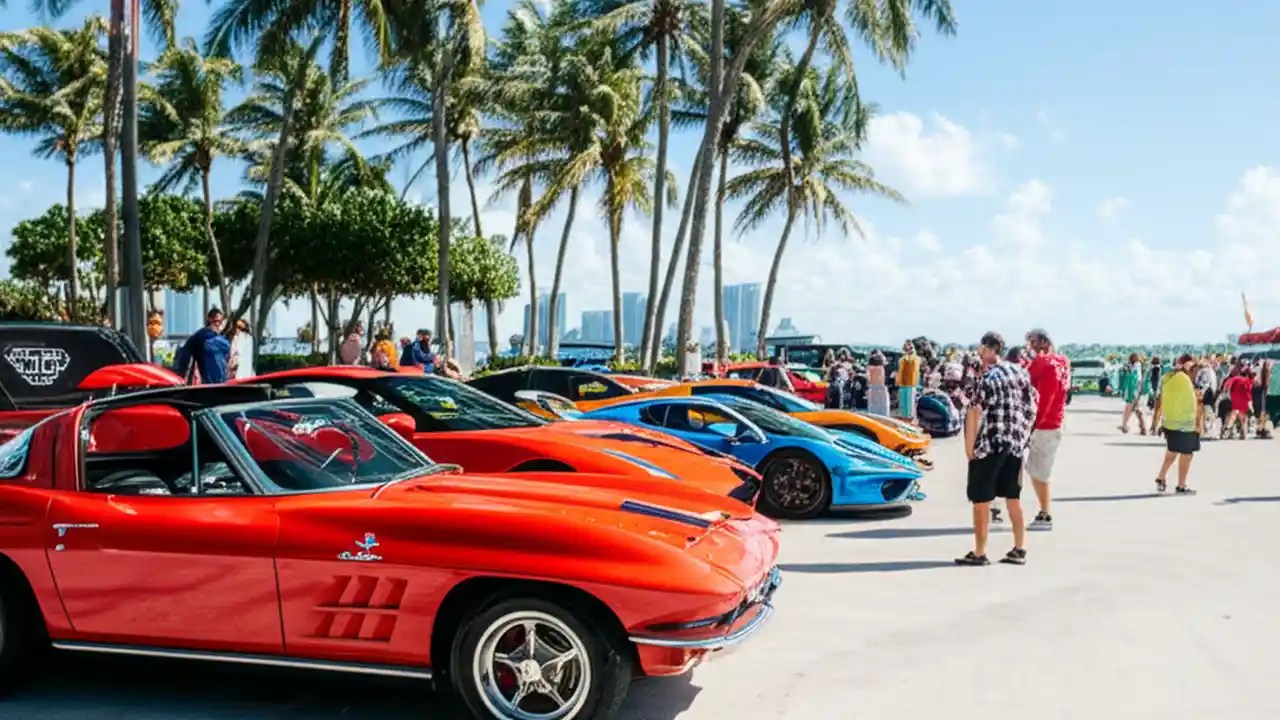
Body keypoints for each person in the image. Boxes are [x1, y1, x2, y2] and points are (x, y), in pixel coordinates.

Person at [957, 332, 1038, 567]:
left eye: (982, 349)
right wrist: (1022, 434)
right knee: (1013, 497)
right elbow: (1032, 405)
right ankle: (1019, 548)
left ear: (989, 349)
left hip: (991, 443)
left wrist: (970, 449)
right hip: (1014, 445)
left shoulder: (987, 377)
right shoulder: (1020, 372)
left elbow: (974, 411)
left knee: (981, 499)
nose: (980, 354)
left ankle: (980, 552)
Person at [1023, 329, 1069, 531]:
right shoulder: (1061, 362)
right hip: (1052, 423)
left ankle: (1045, 514)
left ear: (1042, 343)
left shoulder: (1049, 366)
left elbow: (1045, 401)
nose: (1029, 347)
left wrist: (1032, 425)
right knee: (1035, 468)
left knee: (1039, 471)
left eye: (1032, 342)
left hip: (1045, 425)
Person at [1152, 354, 1202, 494]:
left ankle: (1161, 477)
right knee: (1187, 454)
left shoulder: (1168, 377)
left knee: (1172, 451)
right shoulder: (1184, 379)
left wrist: (1156, 419)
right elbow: (1193, 403)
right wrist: (1198, 424)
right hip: (1185, 423)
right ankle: (1181, 485)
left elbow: (1161, 398)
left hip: (1170, 422)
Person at [172, 308, 232, 385]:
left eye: (219, 322)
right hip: (210, 380)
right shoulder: (206, 336)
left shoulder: (206, 336)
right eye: (215, 321)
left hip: (212, 380)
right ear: (209, 320)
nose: (217, 325)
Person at [1117, 353, 1147, 434]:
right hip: (1136, 390)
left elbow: (1135, 379)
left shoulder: (1136, 366)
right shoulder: (1138, 366)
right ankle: (1141, 427)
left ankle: (1125, 425)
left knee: (1130, 408)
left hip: (1134, 390)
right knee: (1135, 408)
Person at [1221, 368, 1254, 439]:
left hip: (1234, 397)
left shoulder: (1234, 378)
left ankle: (1227, 429)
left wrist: (1226, 394)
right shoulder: (1247, 380)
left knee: (1234, 413)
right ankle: (1243, 433)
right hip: (1244, 398)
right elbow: (1249, 390)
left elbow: (1227, 386)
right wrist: (1250, 400)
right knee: (1242, 415)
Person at [895, 340, 921, 423]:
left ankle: (909, 420)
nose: (907, 349)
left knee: (909, 405)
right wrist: (897, 380)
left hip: (911, 384)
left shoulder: (915, 358)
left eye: (909, 347)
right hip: (902, 384)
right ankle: (904, 419)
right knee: (903, 405)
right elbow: (900, 370)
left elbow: (912, 362)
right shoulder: (902, 359)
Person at [866, 351, 890, 416]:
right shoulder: (881, 368)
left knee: (873, 412)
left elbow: (869, 381)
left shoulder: (870, 368)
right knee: (884, 411)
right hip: (882, 388)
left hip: (873, 389)